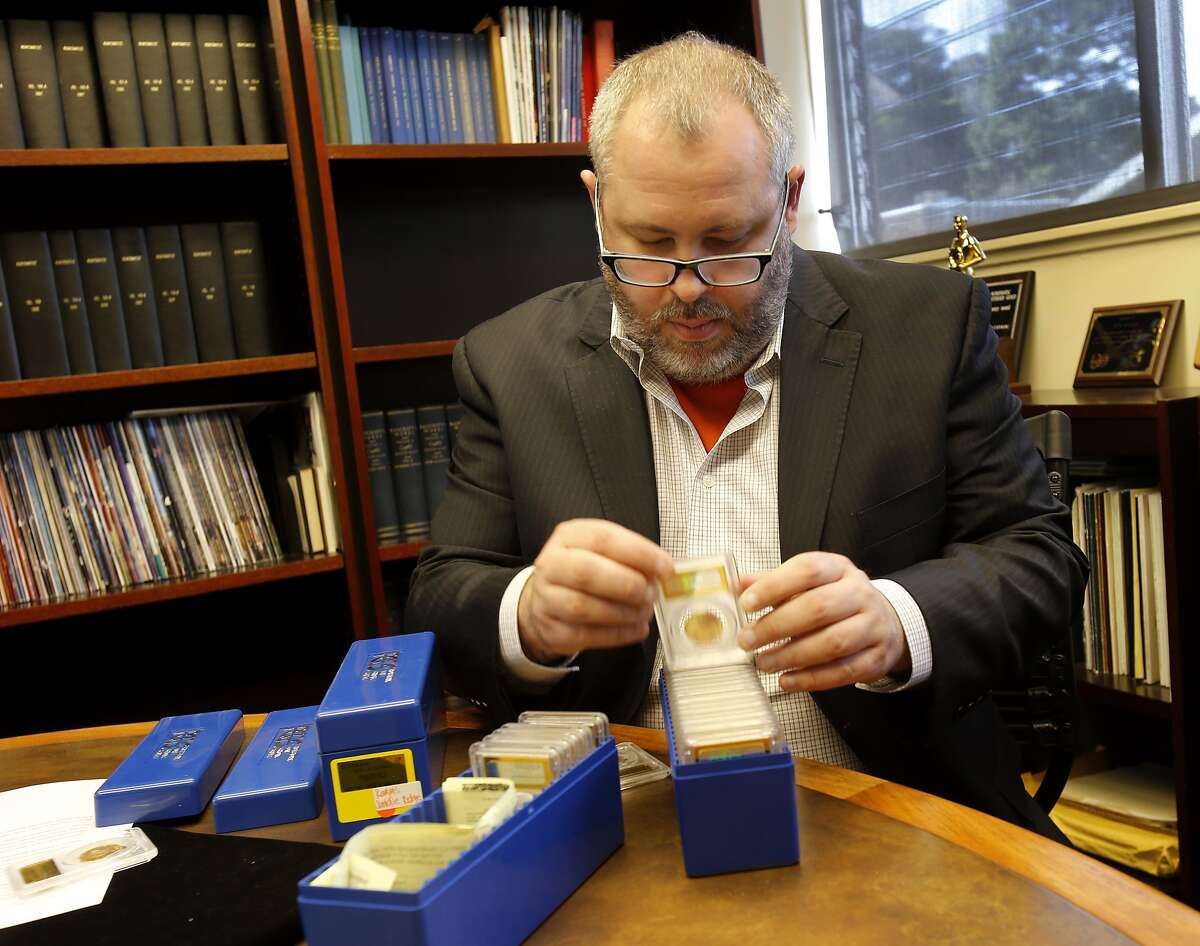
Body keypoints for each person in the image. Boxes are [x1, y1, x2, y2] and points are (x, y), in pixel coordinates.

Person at [407, 33, 1087, 838]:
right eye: (649, 246)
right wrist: (527, 616)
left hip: (892, 804)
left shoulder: (929, 329)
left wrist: (896, 620)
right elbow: (444, 590)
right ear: (596, 203)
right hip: (627, 819)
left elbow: (1038, 558)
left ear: (789, 198)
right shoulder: (508, 362)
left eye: (729, 243)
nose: (687, 291)